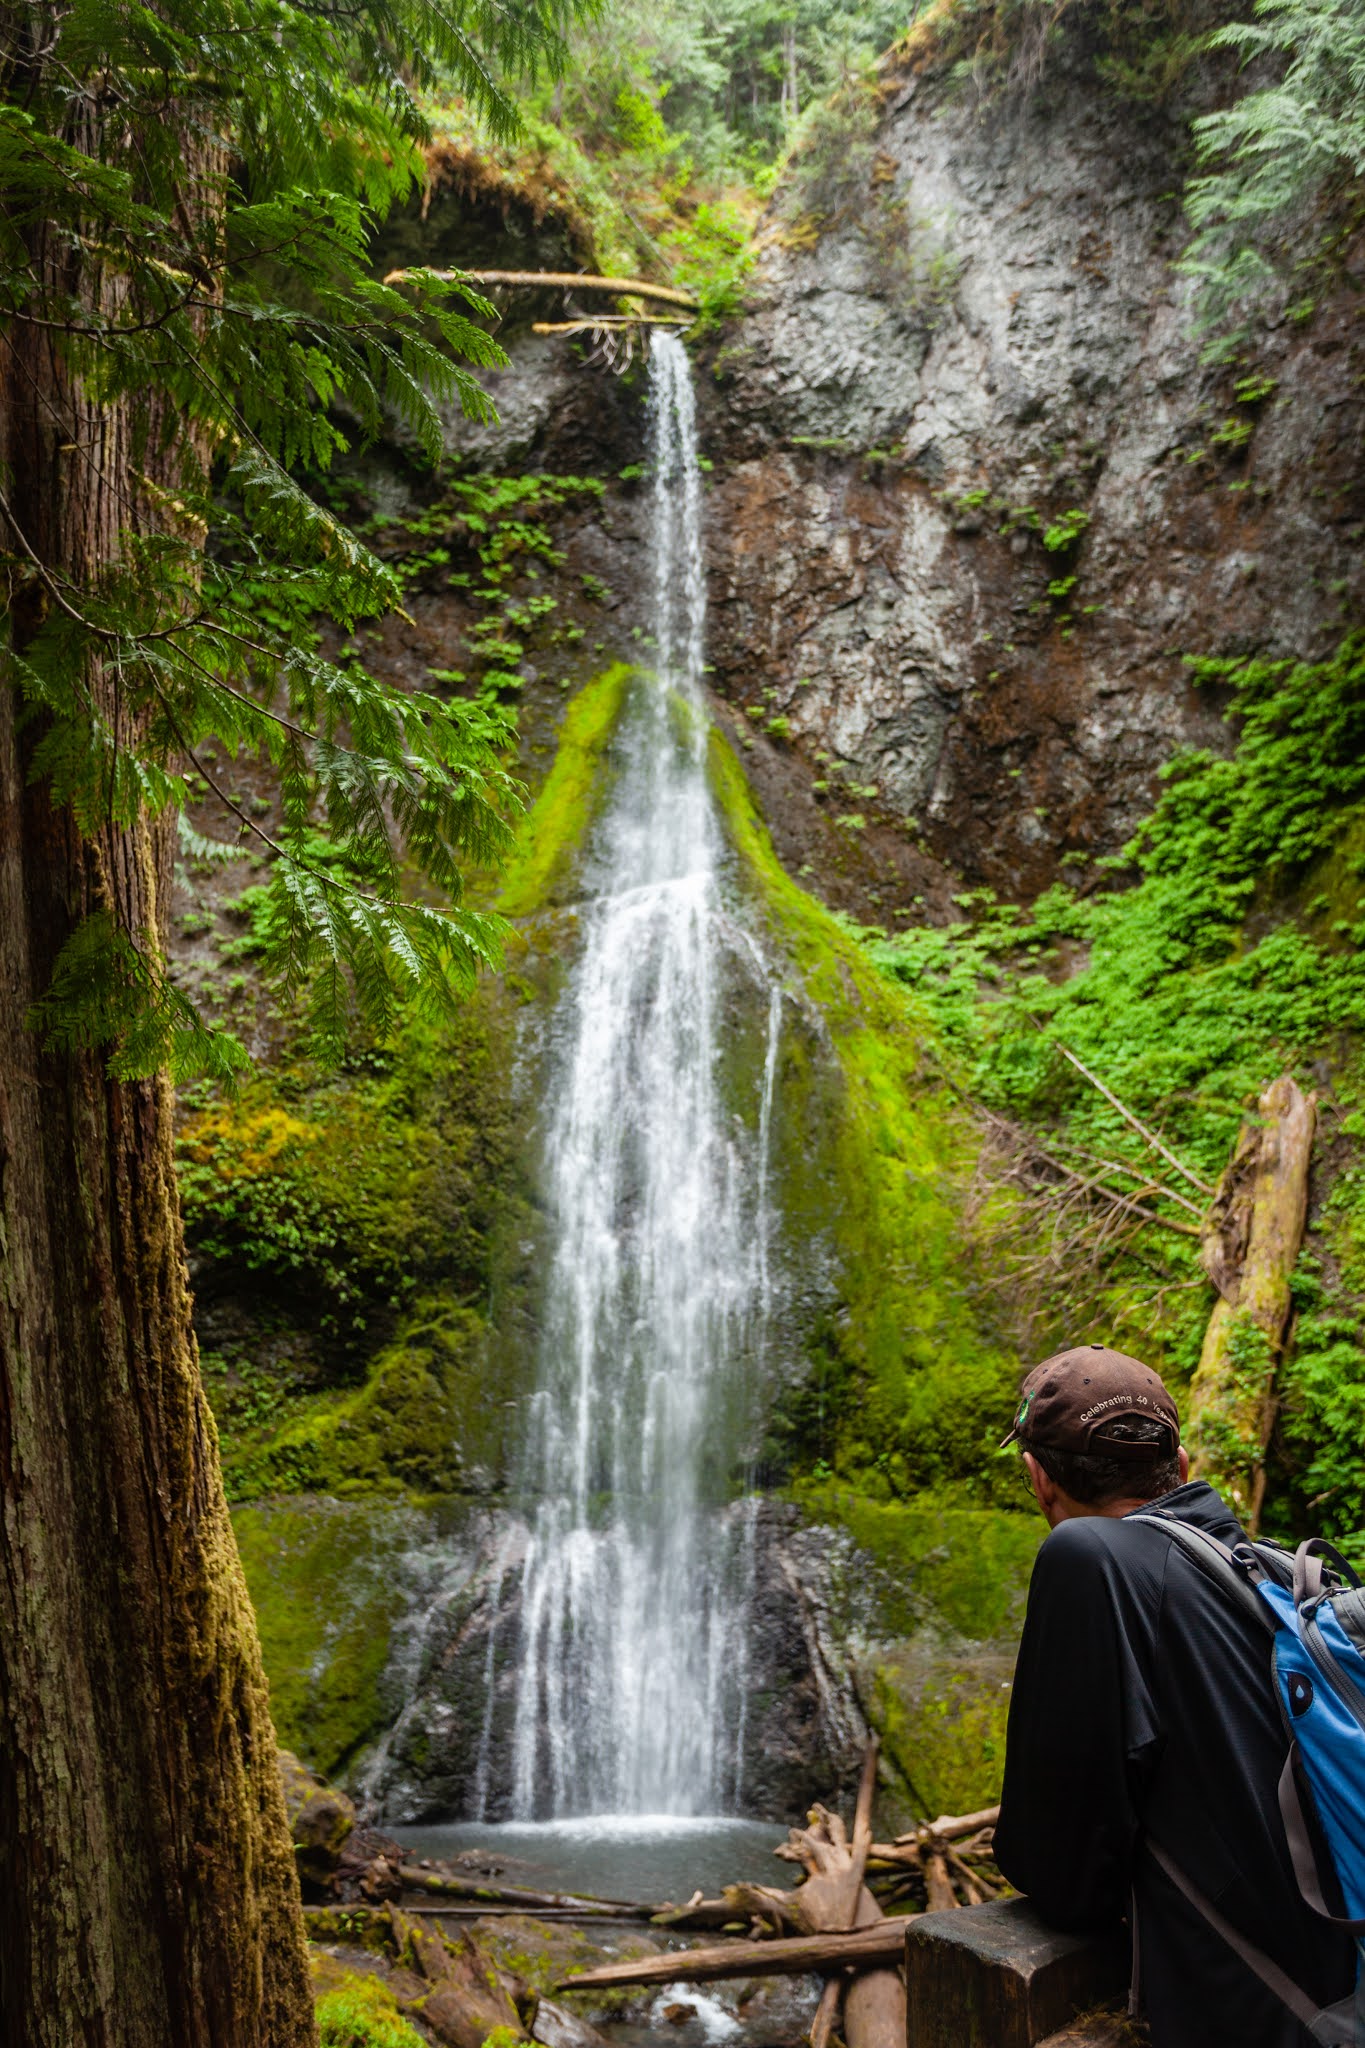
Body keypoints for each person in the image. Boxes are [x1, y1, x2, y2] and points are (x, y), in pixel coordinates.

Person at [992, 1343, 1356, 2048]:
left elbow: (1058, 1874)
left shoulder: (1087, 1558)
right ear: (1181, 1467)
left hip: (1270, 2019)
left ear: (1037, 1478)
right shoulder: (1268, 1573)